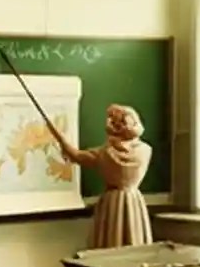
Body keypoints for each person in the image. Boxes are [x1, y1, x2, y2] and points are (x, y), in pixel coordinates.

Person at [44, 103, 152, 248]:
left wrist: (62, 142)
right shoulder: (145, 150)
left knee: (110, 246)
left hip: (112, 204)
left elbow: (76, 155)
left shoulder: (104, 153)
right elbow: (76, 155)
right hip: (134, 203)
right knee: (134, 245)